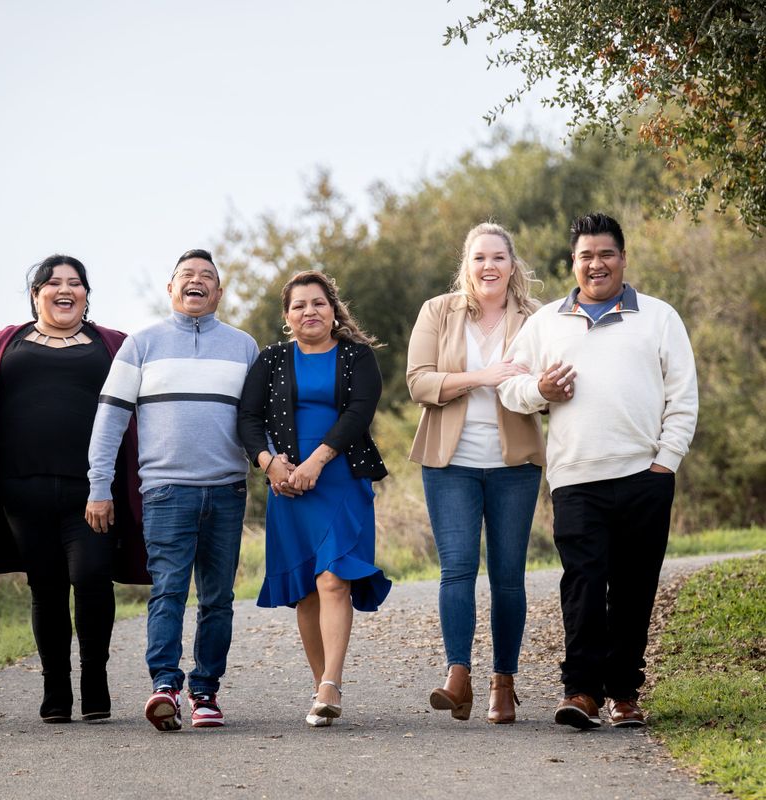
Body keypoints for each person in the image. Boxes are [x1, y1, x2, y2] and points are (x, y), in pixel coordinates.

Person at [499, 213, 698, 729]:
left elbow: (683, 397)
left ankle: (624, 694)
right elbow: (509, 387)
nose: (596, 264)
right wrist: (540, 390)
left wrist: (665, 462)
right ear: (573, 262)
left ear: (623, 258)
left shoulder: (659, 317)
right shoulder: (546, 322)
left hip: (645, 476)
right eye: (586, 255)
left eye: (606, 253)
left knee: (634, 589)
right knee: (583, 585)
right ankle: (582, 691)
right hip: (576, 478)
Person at [0, 255, 148, 724]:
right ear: (35, 294)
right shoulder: (3, 343)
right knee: (45, 588)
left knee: (92, 579)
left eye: (75, 283)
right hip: (22, 491)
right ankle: (55, 688)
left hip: (94, 491)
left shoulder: (112, 344)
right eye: (53, 283)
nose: (65, 290)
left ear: (86, 294)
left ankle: (94, 681)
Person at [85, 248, 258, 731]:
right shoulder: (141, 345)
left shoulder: (244, 347)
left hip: (227, 491)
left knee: (218, 598)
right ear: (171, 288)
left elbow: (258, 419)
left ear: (218, 292)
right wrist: (99, 484)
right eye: (186, 274)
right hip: (165, 491)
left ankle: (205, 692)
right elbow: (110, 419)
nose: (195, 280)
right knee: (168, 592)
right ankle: (165, 685)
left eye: (206, 276)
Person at [406, 223, 546, 724]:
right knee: (457, 570)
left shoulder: (536, 317)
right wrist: (481, 377)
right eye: (479, 257)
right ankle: (458, 675)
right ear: (466, 265)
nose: (489, 266)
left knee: (508, 577)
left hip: (514, 465)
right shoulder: (438, 311)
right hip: (451, 464)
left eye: (498, 257)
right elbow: (418, 382)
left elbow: (546, 387)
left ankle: (503, 683)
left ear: (513, 265)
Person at [239, 270, 392, 727]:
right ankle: (320, 687)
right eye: (299, 305)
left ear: (333, 309)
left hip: (340, 478)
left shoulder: (356, 356)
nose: (310, 311)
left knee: (333, 579)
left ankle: (331, 684)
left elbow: (359, 413)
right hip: (286, 485)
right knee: (306, 590)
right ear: (287, 316)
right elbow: (248, 418)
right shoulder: (271, 359)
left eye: (319, 303)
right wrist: (269, 464)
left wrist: (316, 462)